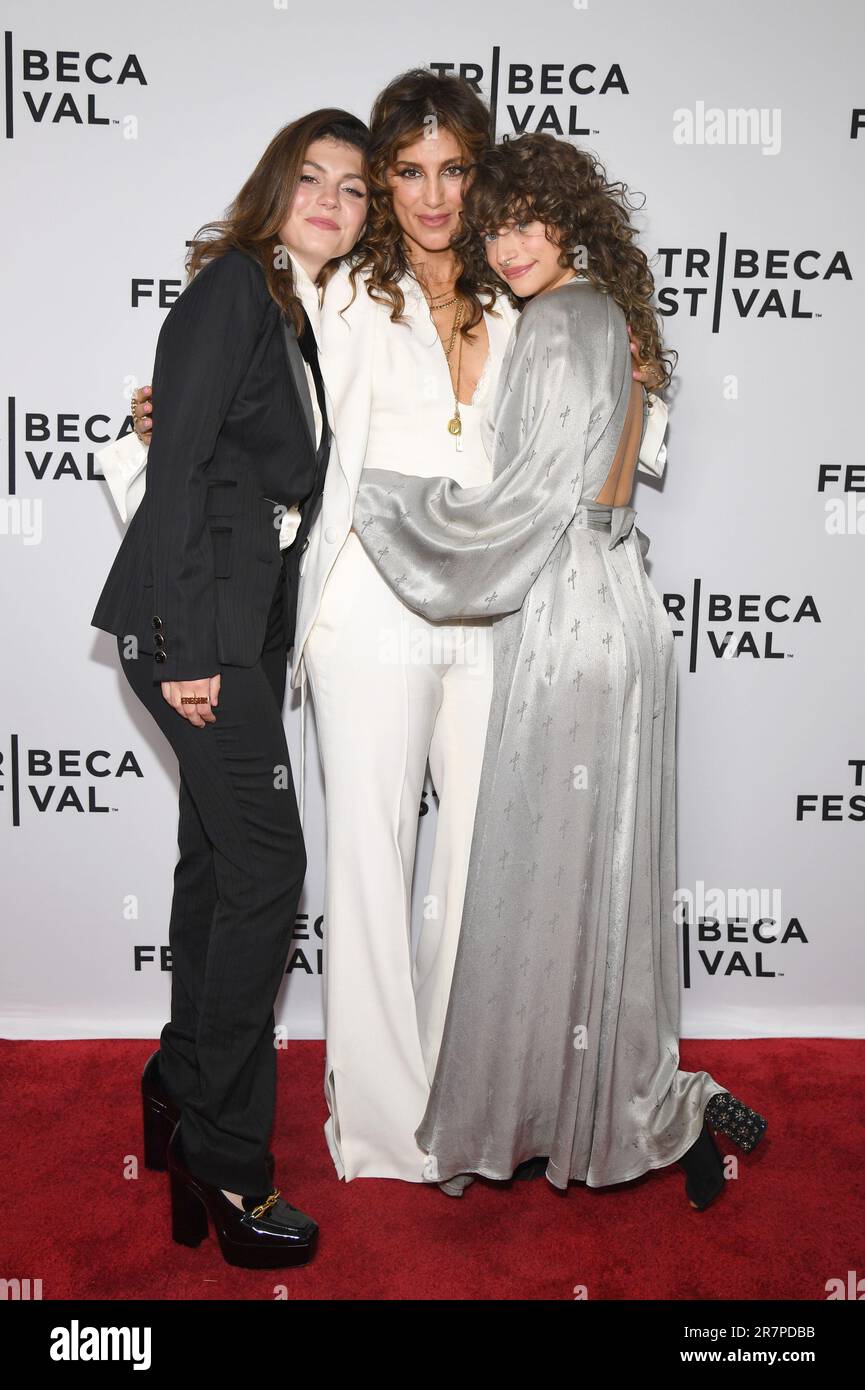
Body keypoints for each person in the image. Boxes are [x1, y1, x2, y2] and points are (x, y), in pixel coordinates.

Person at [128, 70, 667, 1185]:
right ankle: (379, 1129)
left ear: (482, 174)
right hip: (367, 598)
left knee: (481, 862)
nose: (431, 198)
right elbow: (230, 402)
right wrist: (146, 413)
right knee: (370, 861)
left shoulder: (530, 291)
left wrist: (642, 383)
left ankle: (464, 1108)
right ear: (384, 183)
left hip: (501, 601)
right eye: (407, 174)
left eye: (453, 171)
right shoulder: (338, 291)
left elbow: (624, 442)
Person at [353, 132, 767, 1211]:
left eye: (528, 218)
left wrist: (377, 499)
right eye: (495, 225)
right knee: (593, 875)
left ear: (570, 219)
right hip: (614, 602)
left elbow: (524, 505)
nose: (509, 241)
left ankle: (588, 1116)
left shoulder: (557, 322)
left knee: (535, 875)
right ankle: (624, 1108)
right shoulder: (599, 316)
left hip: (570, 618)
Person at [91, 109, 370, 1266]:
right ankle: (229, 1158)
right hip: (195, 631)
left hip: (236, 631)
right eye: (312, 178)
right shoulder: (233, 294)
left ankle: (176, 1083)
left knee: (218, 861)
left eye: (355, 190)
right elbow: (181, 467)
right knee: (269, 870)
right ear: (273, 186)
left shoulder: (293, 316)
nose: (333, 201)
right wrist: (192, 644)